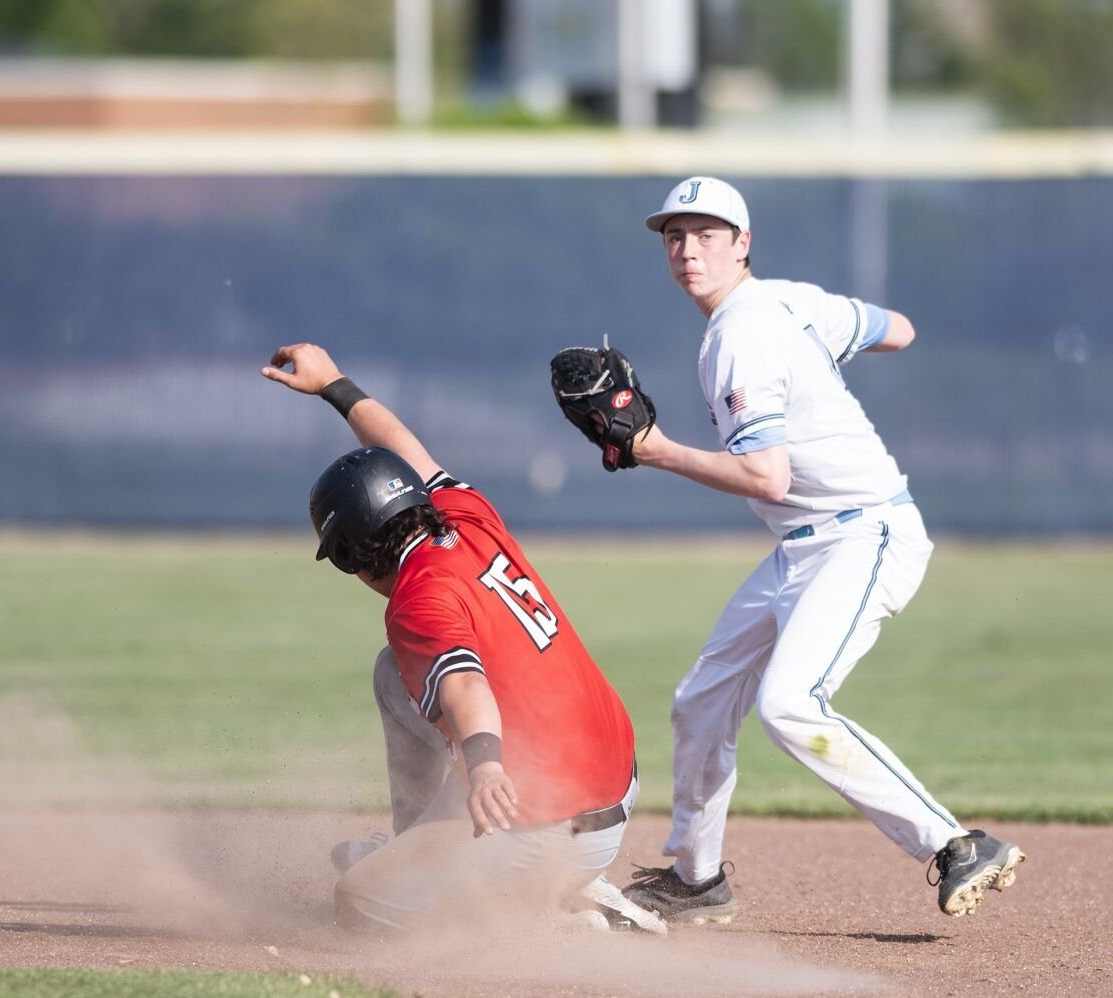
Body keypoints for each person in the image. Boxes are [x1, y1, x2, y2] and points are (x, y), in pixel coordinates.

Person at [614, 176, 1025, 922]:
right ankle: (696, 878)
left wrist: (654, 449)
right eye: (674, 235)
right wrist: (822, 365)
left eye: (707, 234)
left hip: (863, 533)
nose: (686, 249)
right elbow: (896, 328)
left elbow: (766, 477)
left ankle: (957, 843)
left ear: (743, 244)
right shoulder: (791, 301)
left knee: (788, 704)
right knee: (702, 702)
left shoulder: (740, 336)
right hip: (803, 549)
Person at [260, 341, 662, 934]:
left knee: (361, 907)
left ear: (352, 557)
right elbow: (403, 450)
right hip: (614, 783)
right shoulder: (465, 515)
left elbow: (465, 683)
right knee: (391, 674)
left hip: (547, 822)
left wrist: (488, 766)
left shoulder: (415, 601)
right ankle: (432, 854)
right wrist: (335, 384)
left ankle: (553, 922)